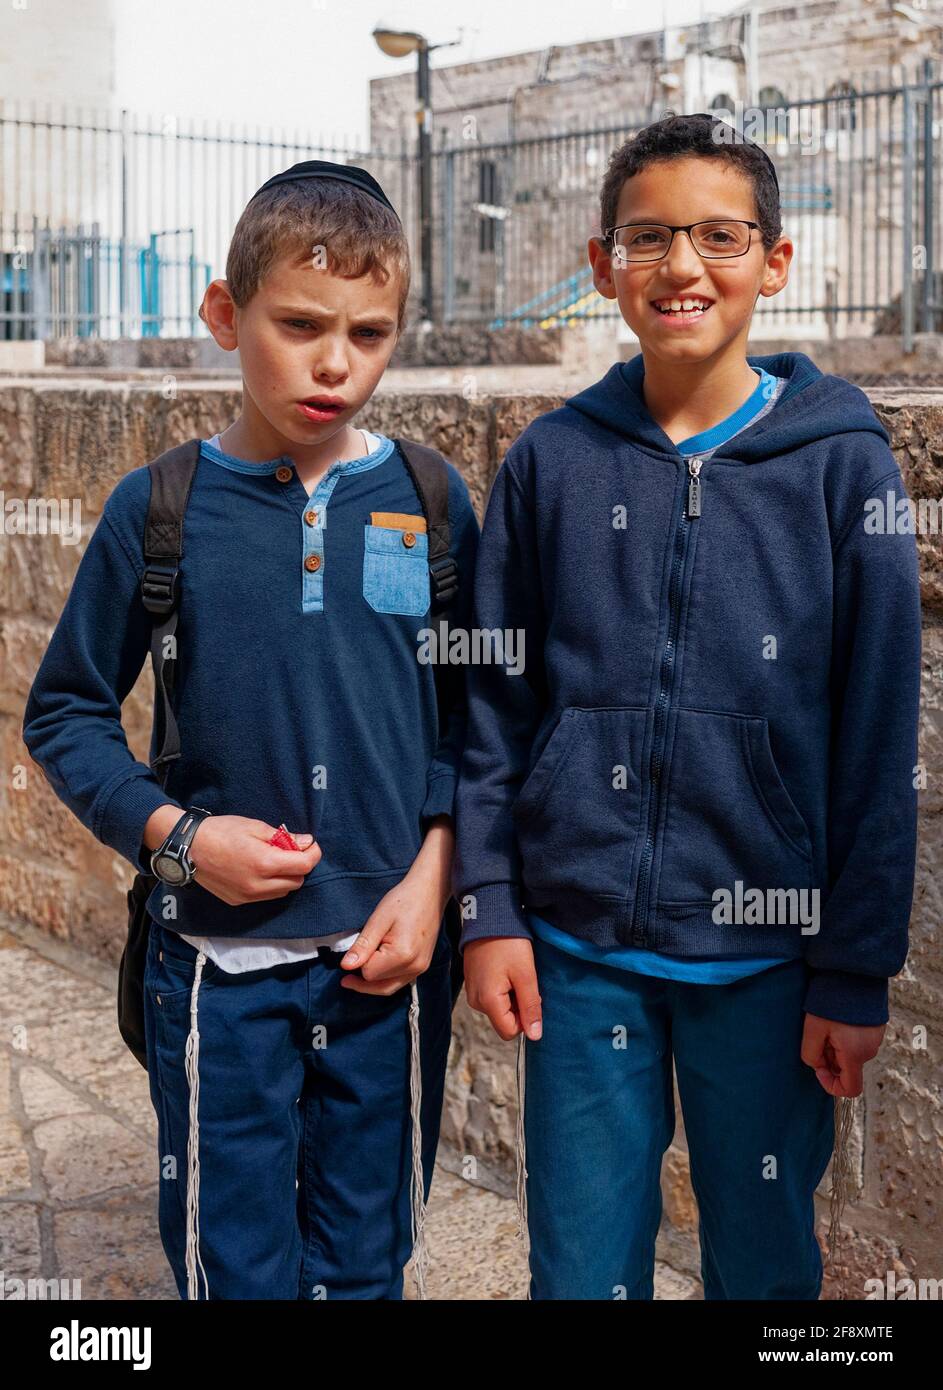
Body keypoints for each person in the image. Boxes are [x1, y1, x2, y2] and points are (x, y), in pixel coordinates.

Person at [453, 113, 921, 1300]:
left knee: (763, 1270)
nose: (682, 266)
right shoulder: (551, 460)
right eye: (649, 236)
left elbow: (876, 737)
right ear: (603, 262)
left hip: (768, 963)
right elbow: (496, 705)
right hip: (577, 949)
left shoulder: (841, 464)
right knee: (579, 1269)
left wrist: (853, 967)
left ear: (773, 261)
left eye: (719, 236)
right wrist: (490, 908)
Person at [22, 160, 479, 1300]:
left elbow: (482, 724)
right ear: (227, 315)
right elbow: (66, 712)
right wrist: (179, 839)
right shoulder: (159, 511)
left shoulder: (430, 504)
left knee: (368, 1265)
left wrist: (435, 875)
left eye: (370, 333)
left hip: (388, 972)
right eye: (300, 324)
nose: (336, 362)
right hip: (217, 976)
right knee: (233, 1269)